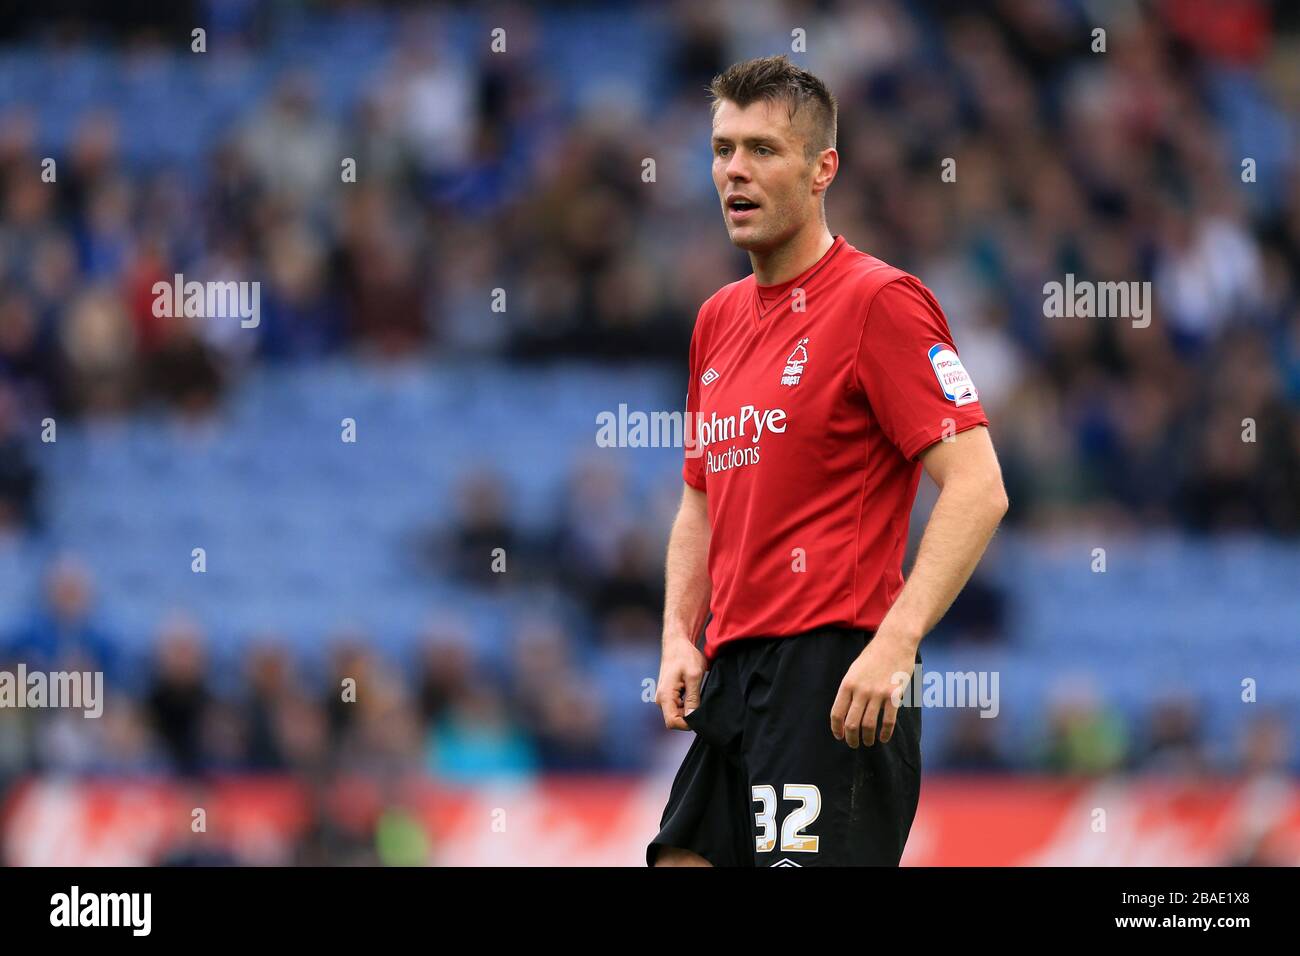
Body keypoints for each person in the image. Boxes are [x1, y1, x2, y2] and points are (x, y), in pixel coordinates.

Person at [648, 55, 1009, 867]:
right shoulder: (716, 320)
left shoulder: (878, 301)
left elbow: (979, 486)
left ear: (822, 169)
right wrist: (678, 635)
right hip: (735, 674)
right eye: (722, 148)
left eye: (763, 150)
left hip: (834, 671)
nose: (734, 170)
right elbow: (698, 504)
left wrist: (896, 641)